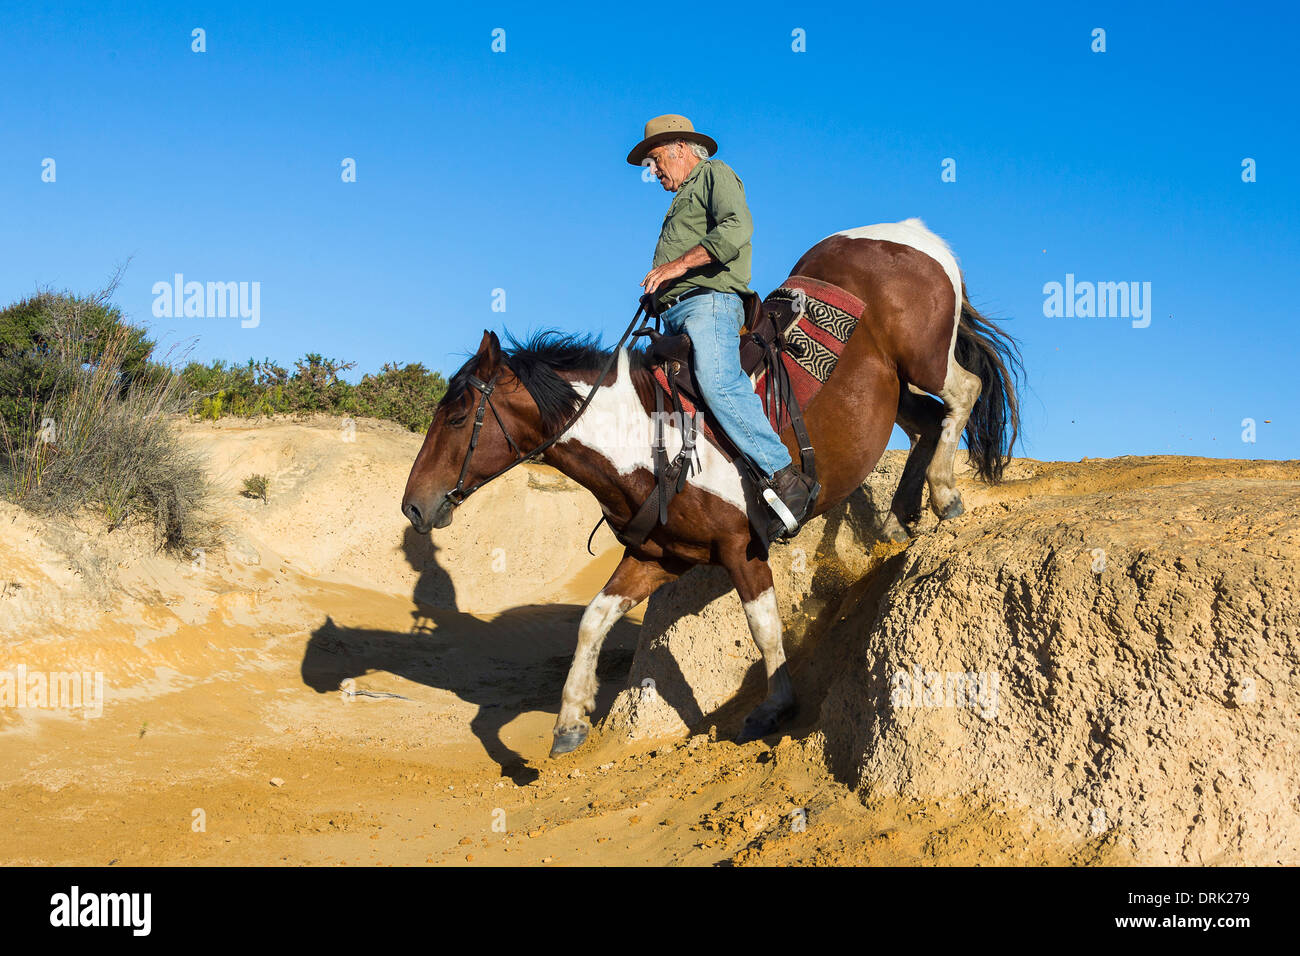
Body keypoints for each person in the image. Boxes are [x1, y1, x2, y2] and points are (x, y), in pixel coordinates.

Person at [628, 113, 817, 538]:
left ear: (679, 148)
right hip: (676, 312)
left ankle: (785, 478)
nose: (654, 171)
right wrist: (659, 293)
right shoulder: (680, 199)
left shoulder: (715, 173)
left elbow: (736, 228)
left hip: (709, 305)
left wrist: (676, 266)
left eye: (656, 159)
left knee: (717, 381)